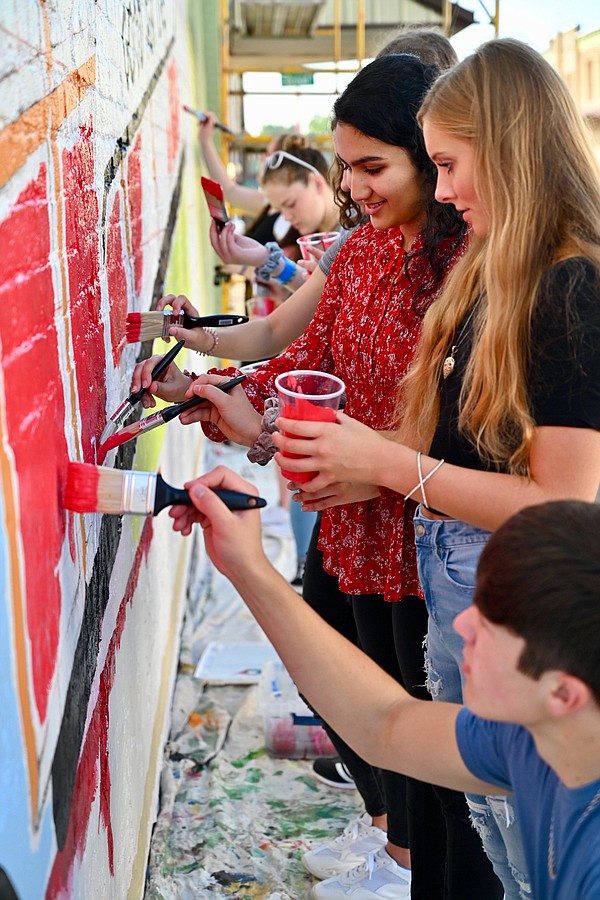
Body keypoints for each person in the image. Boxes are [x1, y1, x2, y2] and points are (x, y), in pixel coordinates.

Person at [135, 53, 482, 899]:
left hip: (423, 535)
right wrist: (204, 370)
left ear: (432, 160)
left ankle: (408, 862)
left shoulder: (472, 267)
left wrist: (374, 468)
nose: (357, 185)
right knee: (350, 698)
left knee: (419, 737)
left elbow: (471, 428)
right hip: (349, 521)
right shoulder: (359, 253)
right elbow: (291, 353)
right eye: (346, 167)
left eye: (377, 167)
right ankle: (394, 850)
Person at [272, 37, 600, 899]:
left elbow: (564, 499)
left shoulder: (569, 289)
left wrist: (384, 464)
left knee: (490, 859)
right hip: (458, 593)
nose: (444, 189)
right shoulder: (496, 271)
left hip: (497, 602)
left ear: (511, 148)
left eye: (450, 164)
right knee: (461, 842)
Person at [169, 471, 600, 900]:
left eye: (489, 626)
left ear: (564, 694)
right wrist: (247, 566)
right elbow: (385, 725)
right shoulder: (541, 735)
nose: (462, 622)